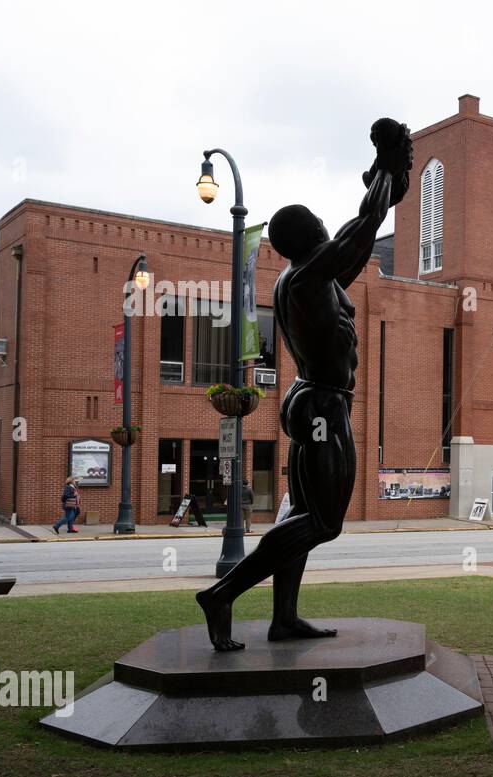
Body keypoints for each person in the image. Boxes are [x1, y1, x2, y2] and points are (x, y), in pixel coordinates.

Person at [195, 118, 412, 651]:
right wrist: (387, 165)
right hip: (322, 406)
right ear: (310, 233)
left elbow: (359, 233)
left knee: (298, 512)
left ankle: (284, 618)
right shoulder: (313, 274)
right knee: (324, 521)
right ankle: (222, 593)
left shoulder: (300, 277)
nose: (325, 222)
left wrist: (385, 181)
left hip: (310, 396)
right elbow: (365, 225)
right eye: (318, 219)